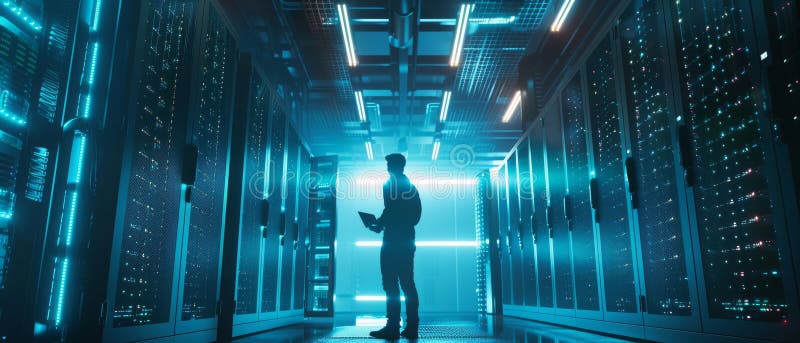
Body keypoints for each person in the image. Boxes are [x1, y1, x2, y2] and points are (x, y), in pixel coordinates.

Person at [368, 153, 422, 340]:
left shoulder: (390, 185)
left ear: (397, 166)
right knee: (406, 283)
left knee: (391, 284)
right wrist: (383, 223)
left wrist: (381, 224)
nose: (387, 167)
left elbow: (391, 211)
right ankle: (412, 326)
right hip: (405, 239)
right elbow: (412, 216)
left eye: (390, 163)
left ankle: (393, 326)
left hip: (392, 240)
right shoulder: (410, 187)